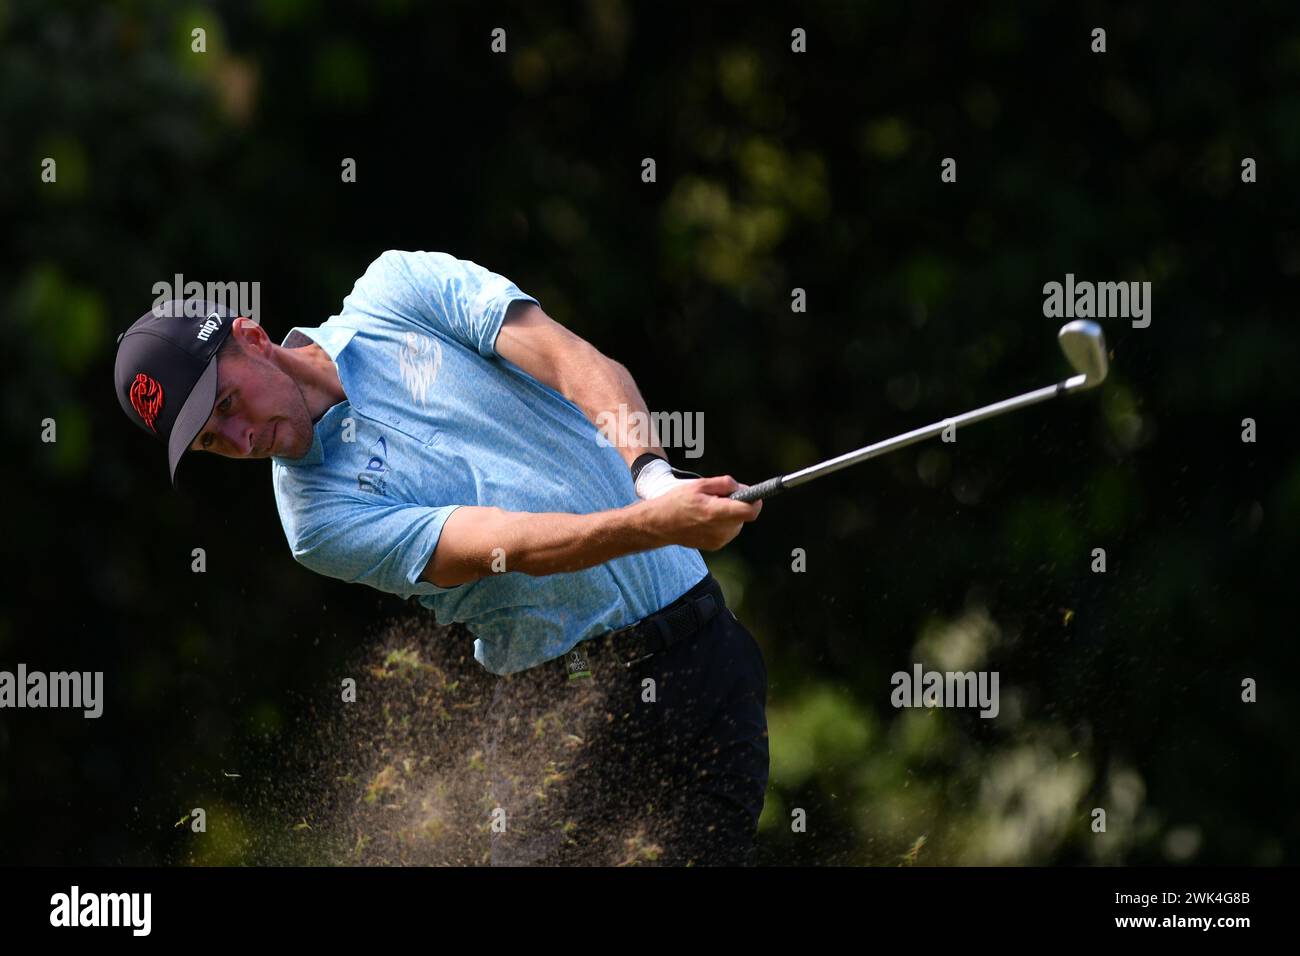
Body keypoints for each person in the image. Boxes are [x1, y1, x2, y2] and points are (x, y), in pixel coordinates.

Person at [112, 250, 768, 865]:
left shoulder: (399, 292)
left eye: (227, 405)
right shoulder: (315, 519)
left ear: (253, 338)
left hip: (706, 658)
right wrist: (652, 524)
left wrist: (653, 476)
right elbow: (502, 546)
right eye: (210, 442)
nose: (240, 437)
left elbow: (570, 359)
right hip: (566, 722)